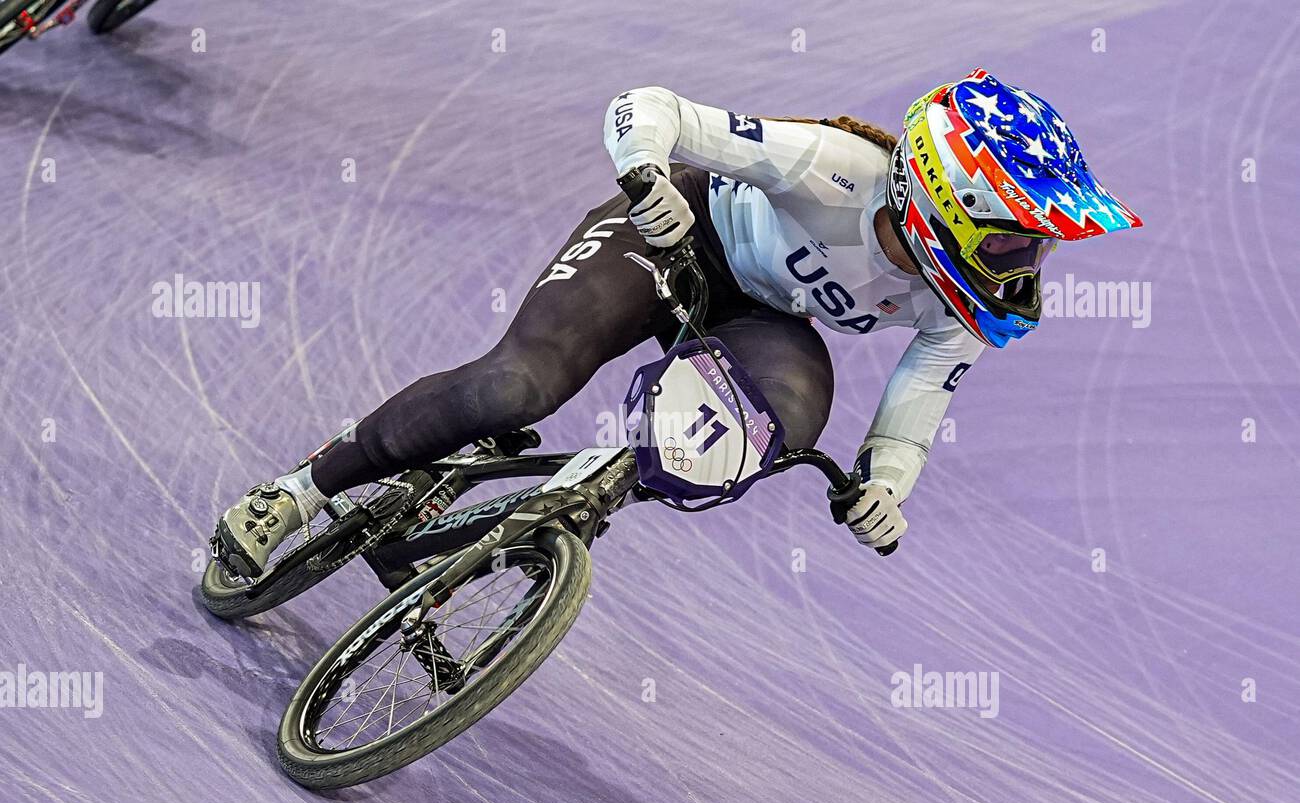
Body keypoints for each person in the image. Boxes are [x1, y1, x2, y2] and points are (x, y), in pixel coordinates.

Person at [214, 69, 1141, 578]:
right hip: (671, 236)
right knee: (518, 385)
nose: (1029, 270)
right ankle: (303, 488)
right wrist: (647, 175)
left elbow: (915, 403)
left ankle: (577, 499)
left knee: (768, 431)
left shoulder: (961, 304)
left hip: (760, 318)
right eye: (1020, 242)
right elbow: (647, 107)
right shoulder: (828, 165)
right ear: (946, 203)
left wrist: (885, 486)